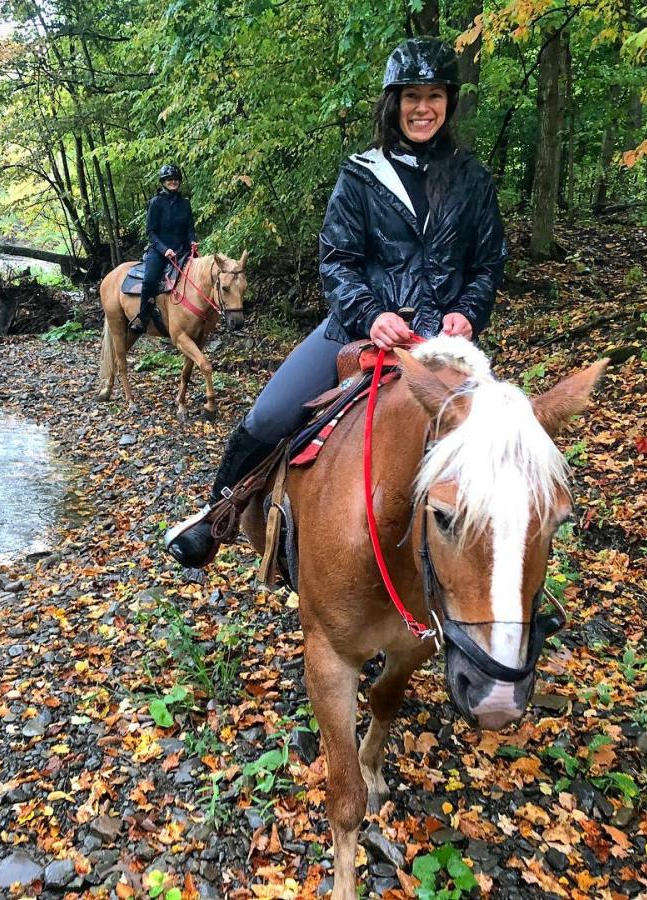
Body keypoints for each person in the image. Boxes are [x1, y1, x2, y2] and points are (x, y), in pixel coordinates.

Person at [165, 36, 507, 568]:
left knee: (508, 444)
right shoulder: (361, 175)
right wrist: (373, 315)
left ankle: (511, 583)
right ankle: (215, 517)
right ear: (393, 103)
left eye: (434, 95)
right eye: (410, 96)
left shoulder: (472, 177)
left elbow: (487, 264)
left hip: (446, 342)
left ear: (449, 101)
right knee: (269, 415)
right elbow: (338, 262)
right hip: (357, 327)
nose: (423, 108)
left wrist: (470, 310)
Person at [130, 164, 198, 334]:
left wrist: (193, 242)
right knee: (150, 280)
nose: (173, 182)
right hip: (160, 251)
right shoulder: (156, 203)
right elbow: (150, 232)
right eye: (169, 179)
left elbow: (190, 229)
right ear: (163, 182)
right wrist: (164, 249)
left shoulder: (185, 203)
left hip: (182, 251)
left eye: (175, 179)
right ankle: (143, 318)